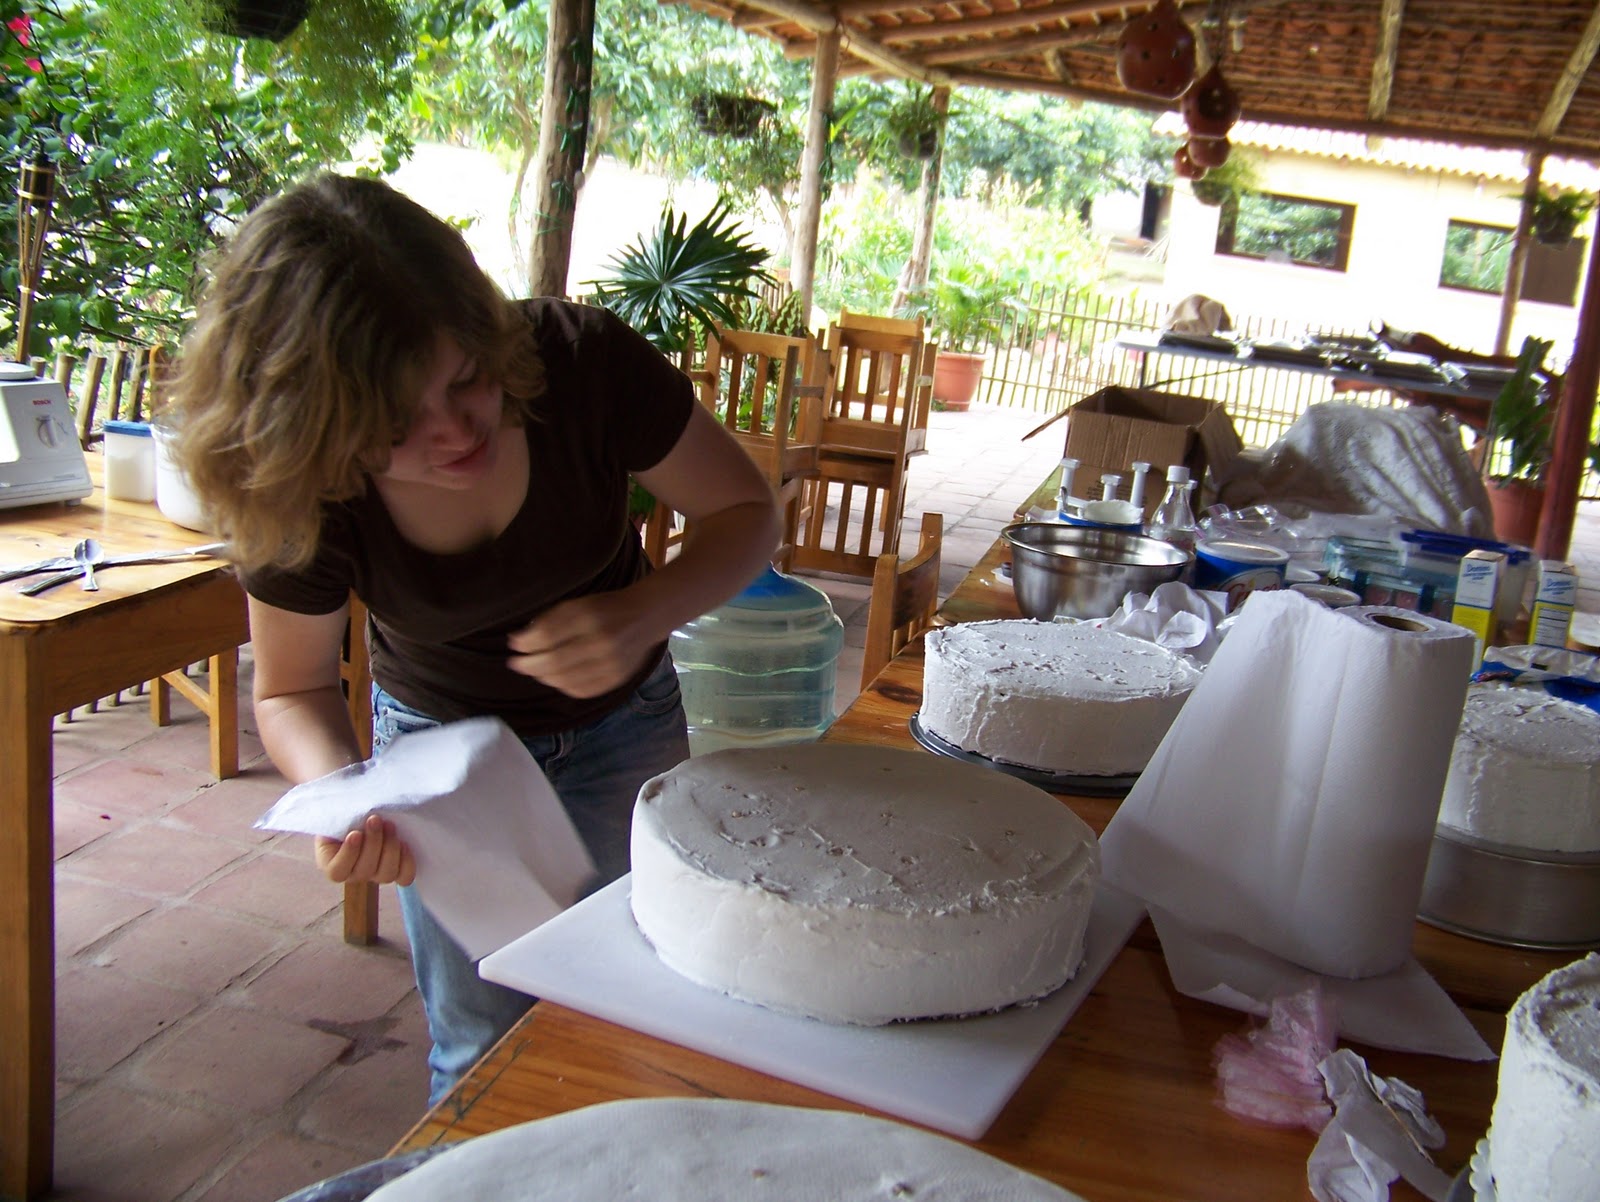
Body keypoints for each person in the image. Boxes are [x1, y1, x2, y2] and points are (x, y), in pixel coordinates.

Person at [166, 173, 780, 1103]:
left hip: (629, 728)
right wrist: (346, 797)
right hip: (440, 768)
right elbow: (290, 691)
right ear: (319, 433)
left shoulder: (582, 364)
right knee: (483, 1043)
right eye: (396, 425)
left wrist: (644, 611)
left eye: (468, 381)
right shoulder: (299, 481)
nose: (456, 431)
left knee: (650, 996)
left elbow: (746, 512)